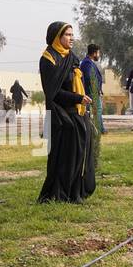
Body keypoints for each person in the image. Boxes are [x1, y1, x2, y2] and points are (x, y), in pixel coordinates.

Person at [37, 22, 95, 202]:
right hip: (60, 115)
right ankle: (58, 193)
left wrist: (81, 100)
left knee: (79, 154)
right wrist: (78, 98)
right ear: (57, 37)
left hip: (77, 112)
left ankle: (74, 192)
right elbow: (53, 92)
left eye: (72, 34)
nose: (72, 38)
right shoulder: (49, 59)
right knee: (63, 156)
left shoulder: (72, 57)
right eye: (68, 35)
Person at [79, 44, 104, 132]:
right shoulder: (87, 63)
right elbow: (90, 78)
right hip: (91, 92)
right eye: (98, 53)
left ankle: (99, 129)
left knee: (97, 111)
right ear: (94, 53)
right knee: (97, 111)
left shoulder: (89, 62)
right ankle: (99, 130)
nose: (99, 55)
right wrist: (96, 89)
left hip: (93, 92)